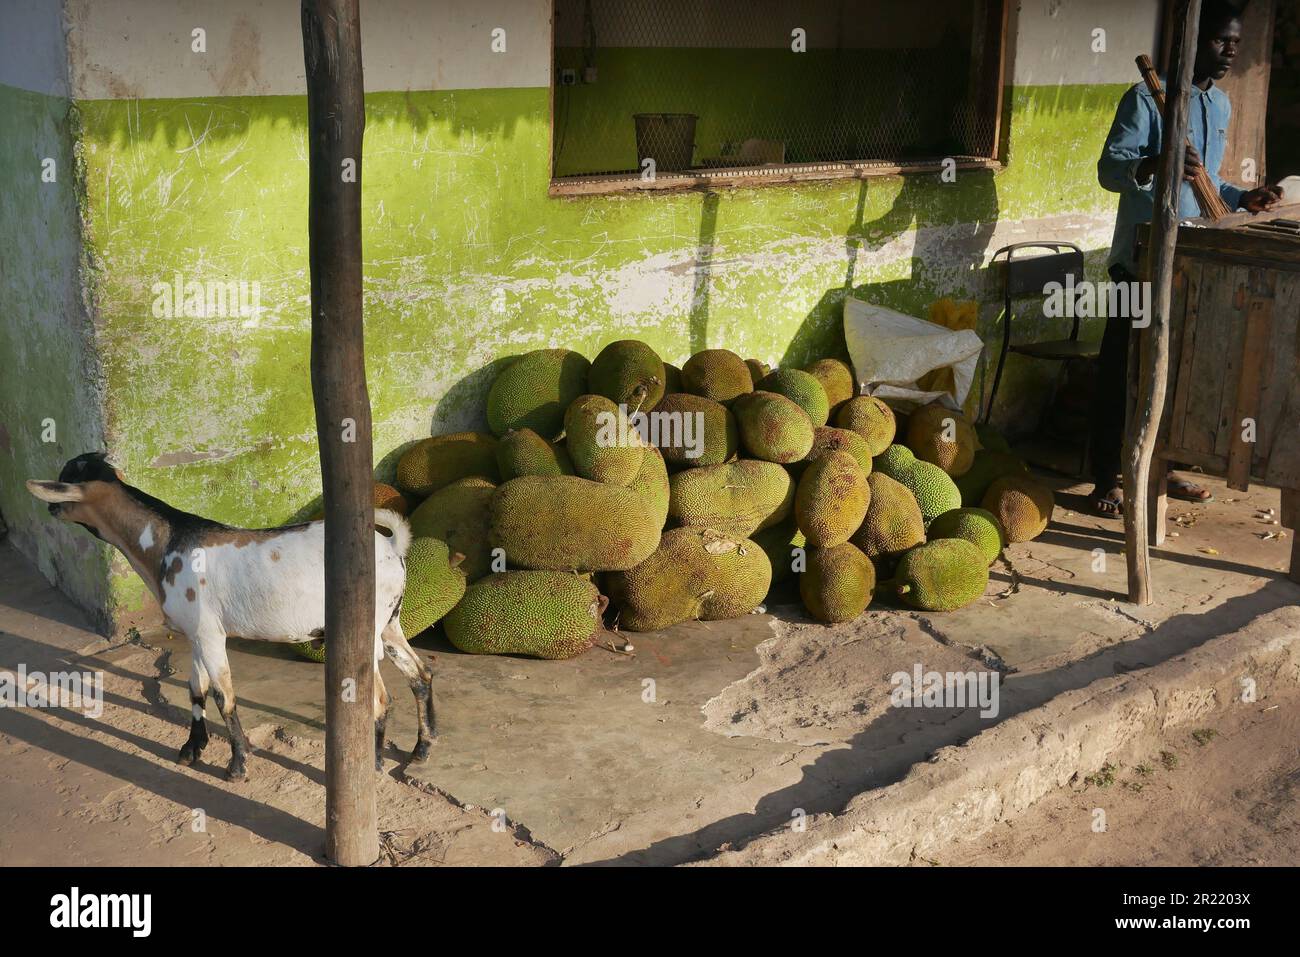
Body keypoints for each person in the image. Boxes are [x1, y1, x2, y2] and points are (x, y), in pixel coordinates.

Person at [1091, 0, 1282, 517]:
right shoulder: (1145, 100)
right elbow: (1111, 171)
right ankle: (1106, 476)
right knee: (1122, 369)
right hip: (1140, 259)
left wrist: (1243, 198)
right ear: (1193, 41)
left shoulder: (1218, 105)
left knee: (1172, 371)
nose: (1231, 52)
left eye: (1237, 43)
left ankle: (1162, 466)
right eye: (1222, 41)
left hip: (1191, 263)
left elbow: (1207, 183)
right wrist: (1154, 161)